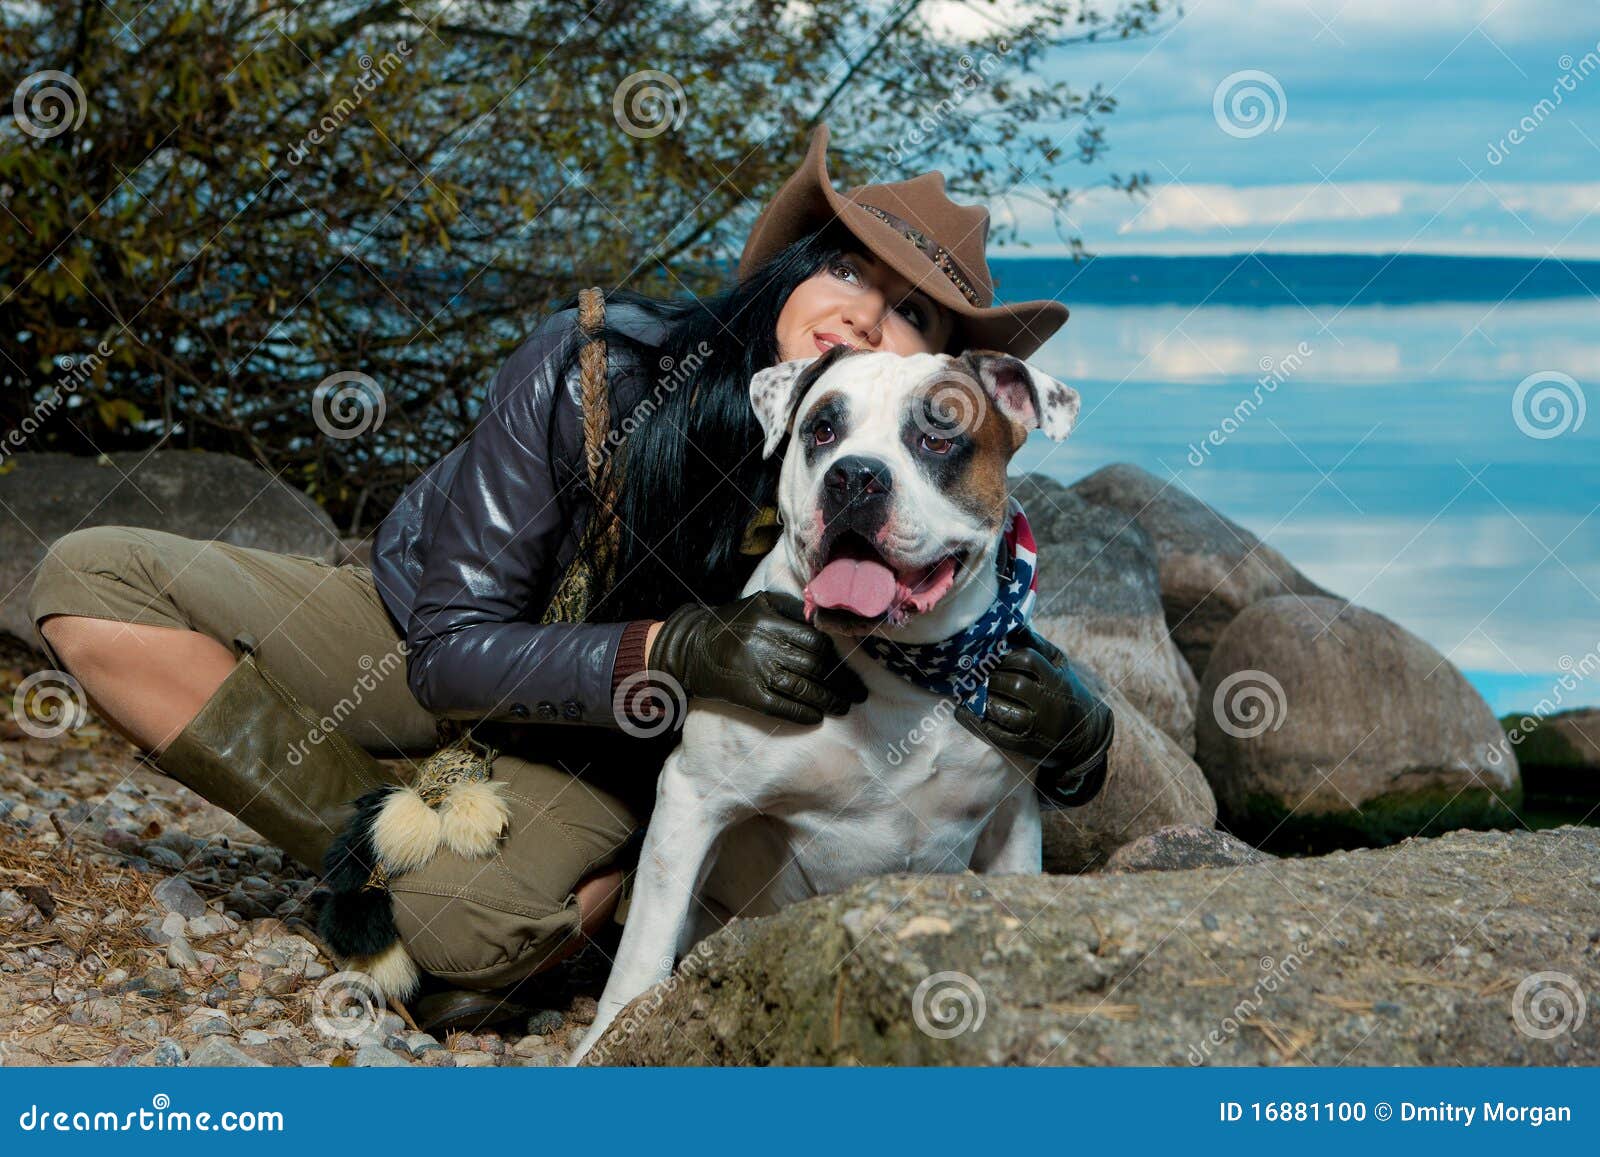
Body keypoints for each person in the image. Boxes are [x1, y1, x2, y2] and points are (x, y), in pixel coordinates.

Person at [26, 123, 1113, 1032]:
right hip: (427, 645)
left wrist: (1076, 735)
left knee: (454, 958)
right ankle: (363, 829)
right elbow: (451, 643)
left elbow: (963, 620)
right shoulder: (597, 366)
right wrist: (666, 647)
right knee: (92, 575)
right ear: (789, 263)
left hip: (607, 754)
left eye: (913, 311)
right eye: (844, 266)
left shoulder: (885, 488)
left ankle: (555, 879)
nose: (865, 316)